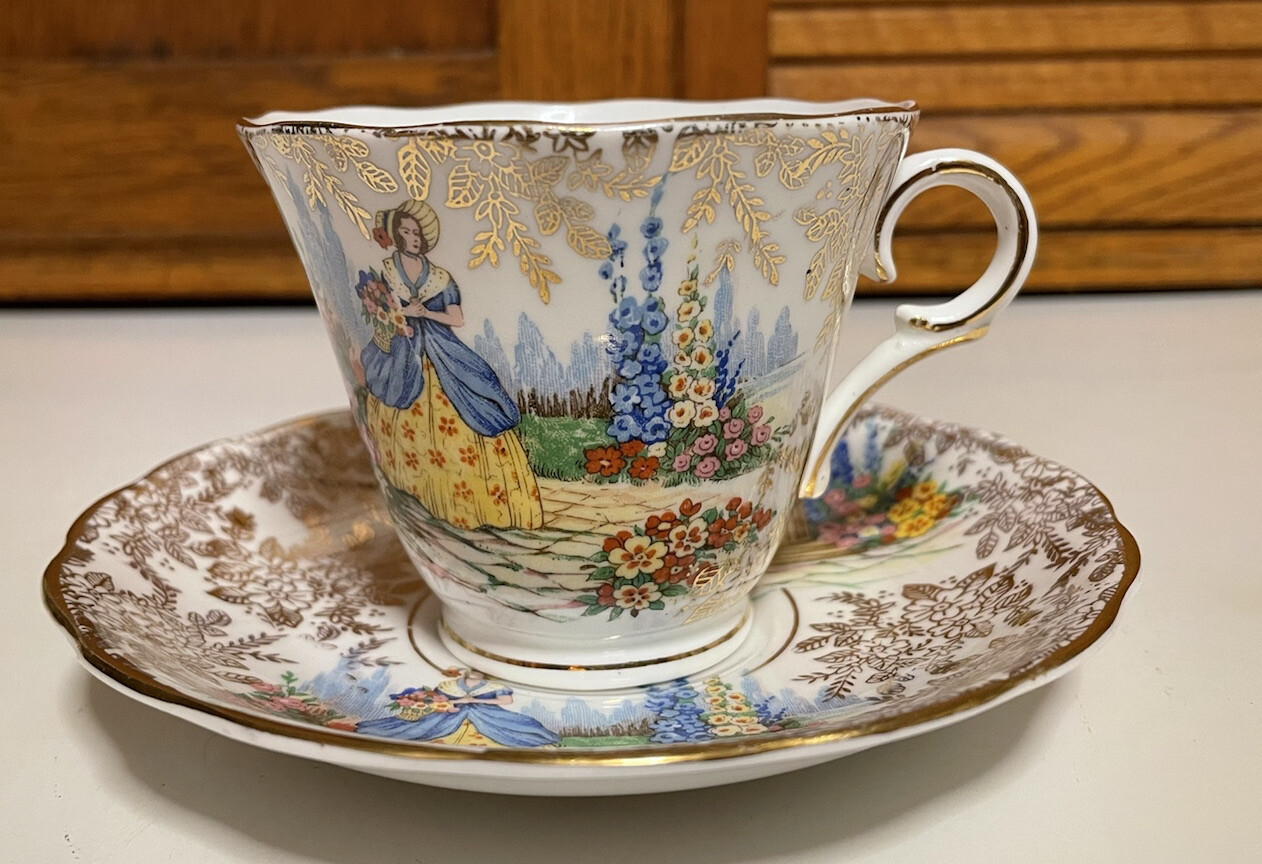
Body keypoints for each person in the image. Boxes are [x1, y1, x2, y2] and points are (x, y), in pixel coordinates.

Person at [356, 198, 543, 531]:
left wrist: (425, 313)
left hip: (439, 348)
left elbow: (456, 317)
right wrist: (399, 317)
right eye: (405, 231)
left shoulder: (440, 277)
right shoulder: (386, 269)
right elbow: (378, 308)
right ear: (397, 233)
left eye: (417, 233)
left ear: (426, 239)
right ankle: (416, 493)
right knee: (397, 400)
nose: (411, 238)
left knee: (468, 399)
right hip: (403, 348)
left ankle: (477, 505)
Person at [356, 668, 559, 747]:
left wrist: (477, 701)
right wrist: (458, 702)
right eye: (473, 672)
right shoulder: (449, 685)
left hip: (487, 710)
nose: (476, 675)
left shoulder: (494, 686)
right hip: (454, 708)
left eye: (480, 673)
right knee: (428, 723)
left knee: (522, 724)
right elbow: (438, 698)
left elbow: (505, 702)